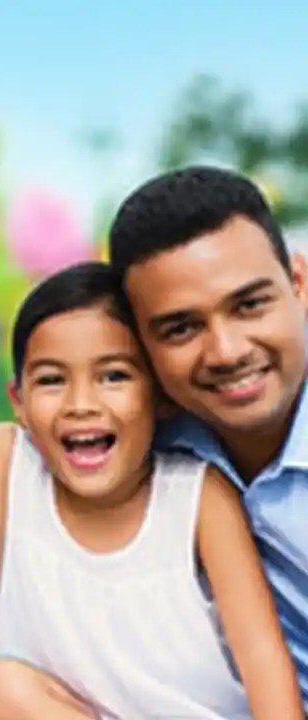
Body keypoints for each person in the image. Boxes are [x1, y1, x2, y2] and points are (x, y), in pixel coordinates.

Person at [0, 261, 301, 719]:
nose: (81, 405)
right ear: (19, 402)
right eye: (52, 380)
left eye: (113, 376)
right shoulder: (5, 459)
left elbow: (260, 653)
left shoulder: (196, 494)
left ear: (160, 397)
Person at [108, 166, 308, 703]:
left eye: (249, 305)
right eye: (181, 328)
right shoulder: (143, 447)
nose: (226, 351)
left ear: (299, 285)